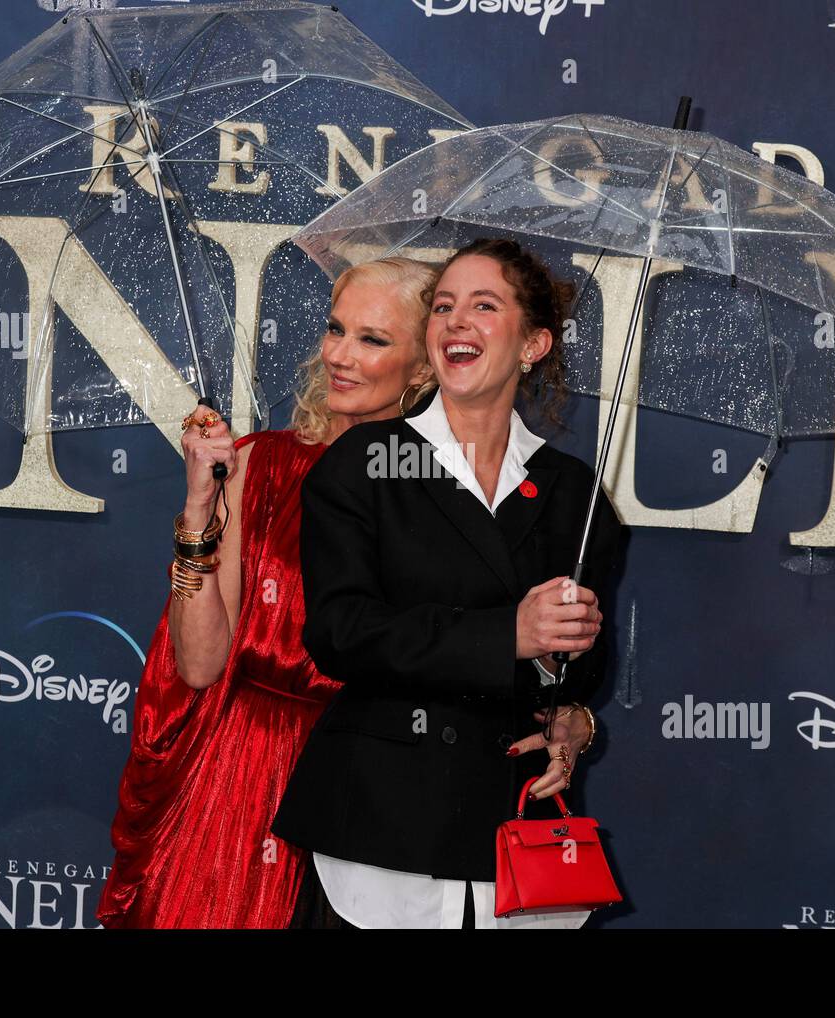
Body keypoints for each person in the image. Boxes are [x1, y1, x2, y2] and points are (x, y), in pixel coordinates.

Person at [271, 237, 626, 929]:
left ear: (533, 344)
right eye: (443, 307)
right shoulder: (365, 462)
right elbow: (340, 635)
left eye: (483, 306)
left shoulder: (572, 491)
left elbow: (583, 662)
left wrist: (572, 717)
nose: (455, 322)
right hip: (382, 831)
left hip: (512, 832)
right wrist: (508, 634)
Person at [96, 257, 449, 928]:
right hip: (232, 784)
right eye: (335, 328)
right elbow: (199, 664)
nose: (340, 356)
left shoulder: (442, 502)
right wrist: (200, 508)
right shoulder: (260, 463)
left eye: (373, 340)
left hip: (361, 792)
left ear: (426, 369)